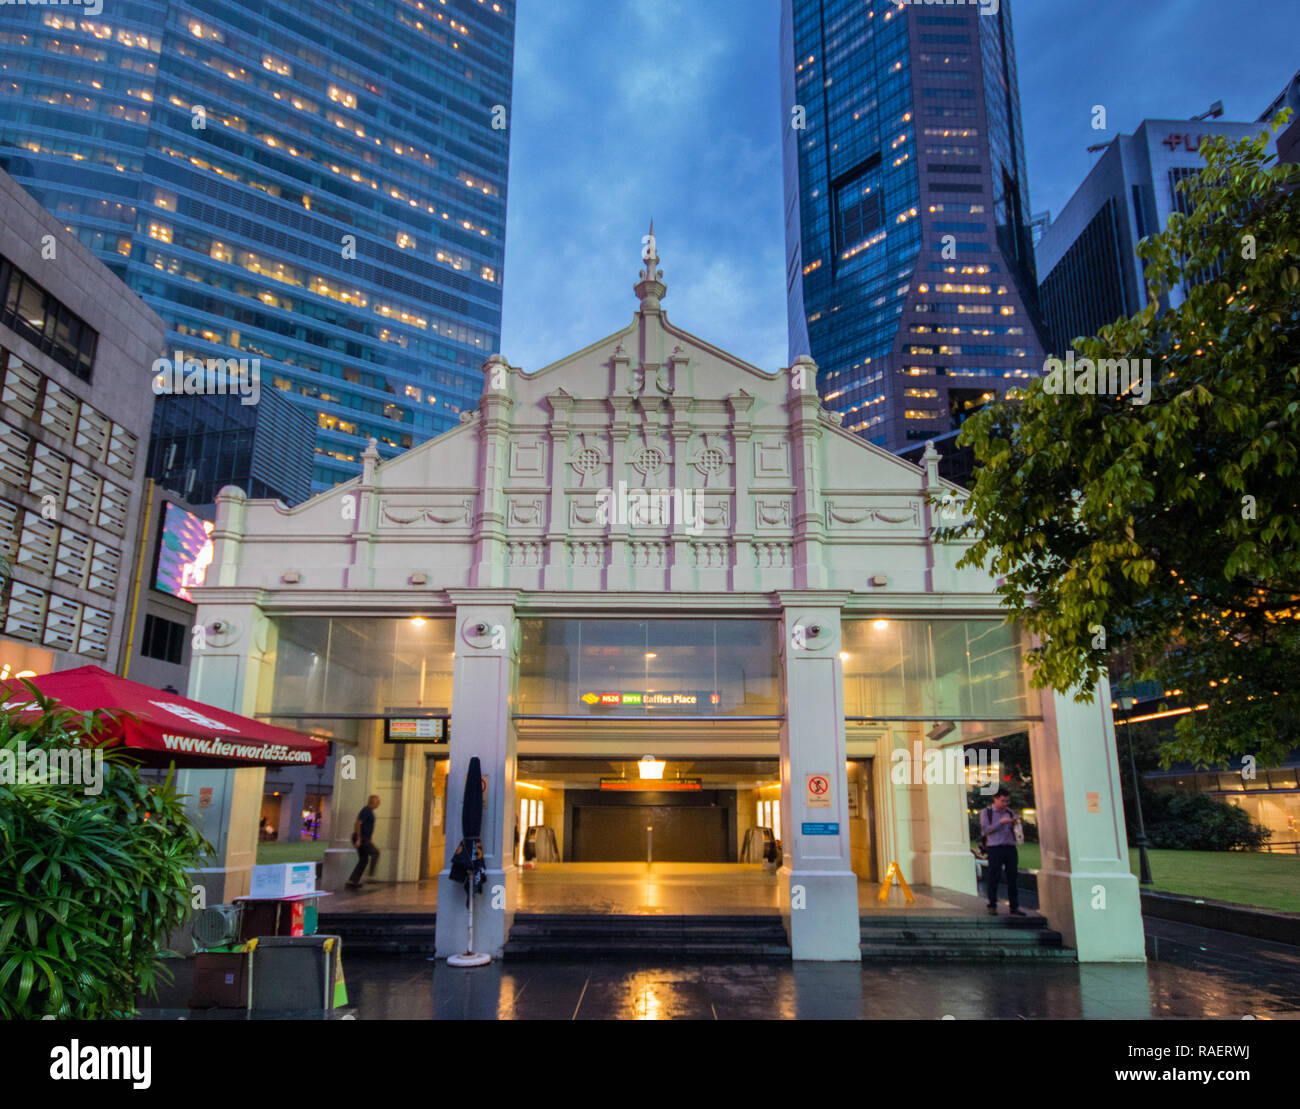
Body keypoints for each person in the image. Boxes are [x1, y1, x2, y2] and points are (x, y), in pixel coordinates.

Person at [980, 788, 1024, 916]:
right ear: (995, 799)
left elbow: (1016, 828)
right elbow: (985, 830)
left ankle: (1014, 906)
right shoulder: (987, 813)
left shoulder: (1010, 812)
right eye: (1002, 801)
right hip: (995, 848)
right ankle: (992, 905)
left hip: (1010, 847)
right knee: (994, 876)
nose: (1005, 804)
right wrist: (1000, 822)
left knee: (1013, 877)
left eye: (1007, 801)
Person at [346, 794, 381, 889]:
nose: (379, 804)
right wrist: (358, 838)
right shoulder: (366, 811)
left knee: (363, 860)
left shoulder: (368, 811)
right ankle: (370, 876)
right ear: (373, 802)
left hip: (364, 839)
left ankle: (352, 881)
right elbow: (358, 823)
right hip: (362, 839)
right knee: (376, 853)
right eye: (378, 802)